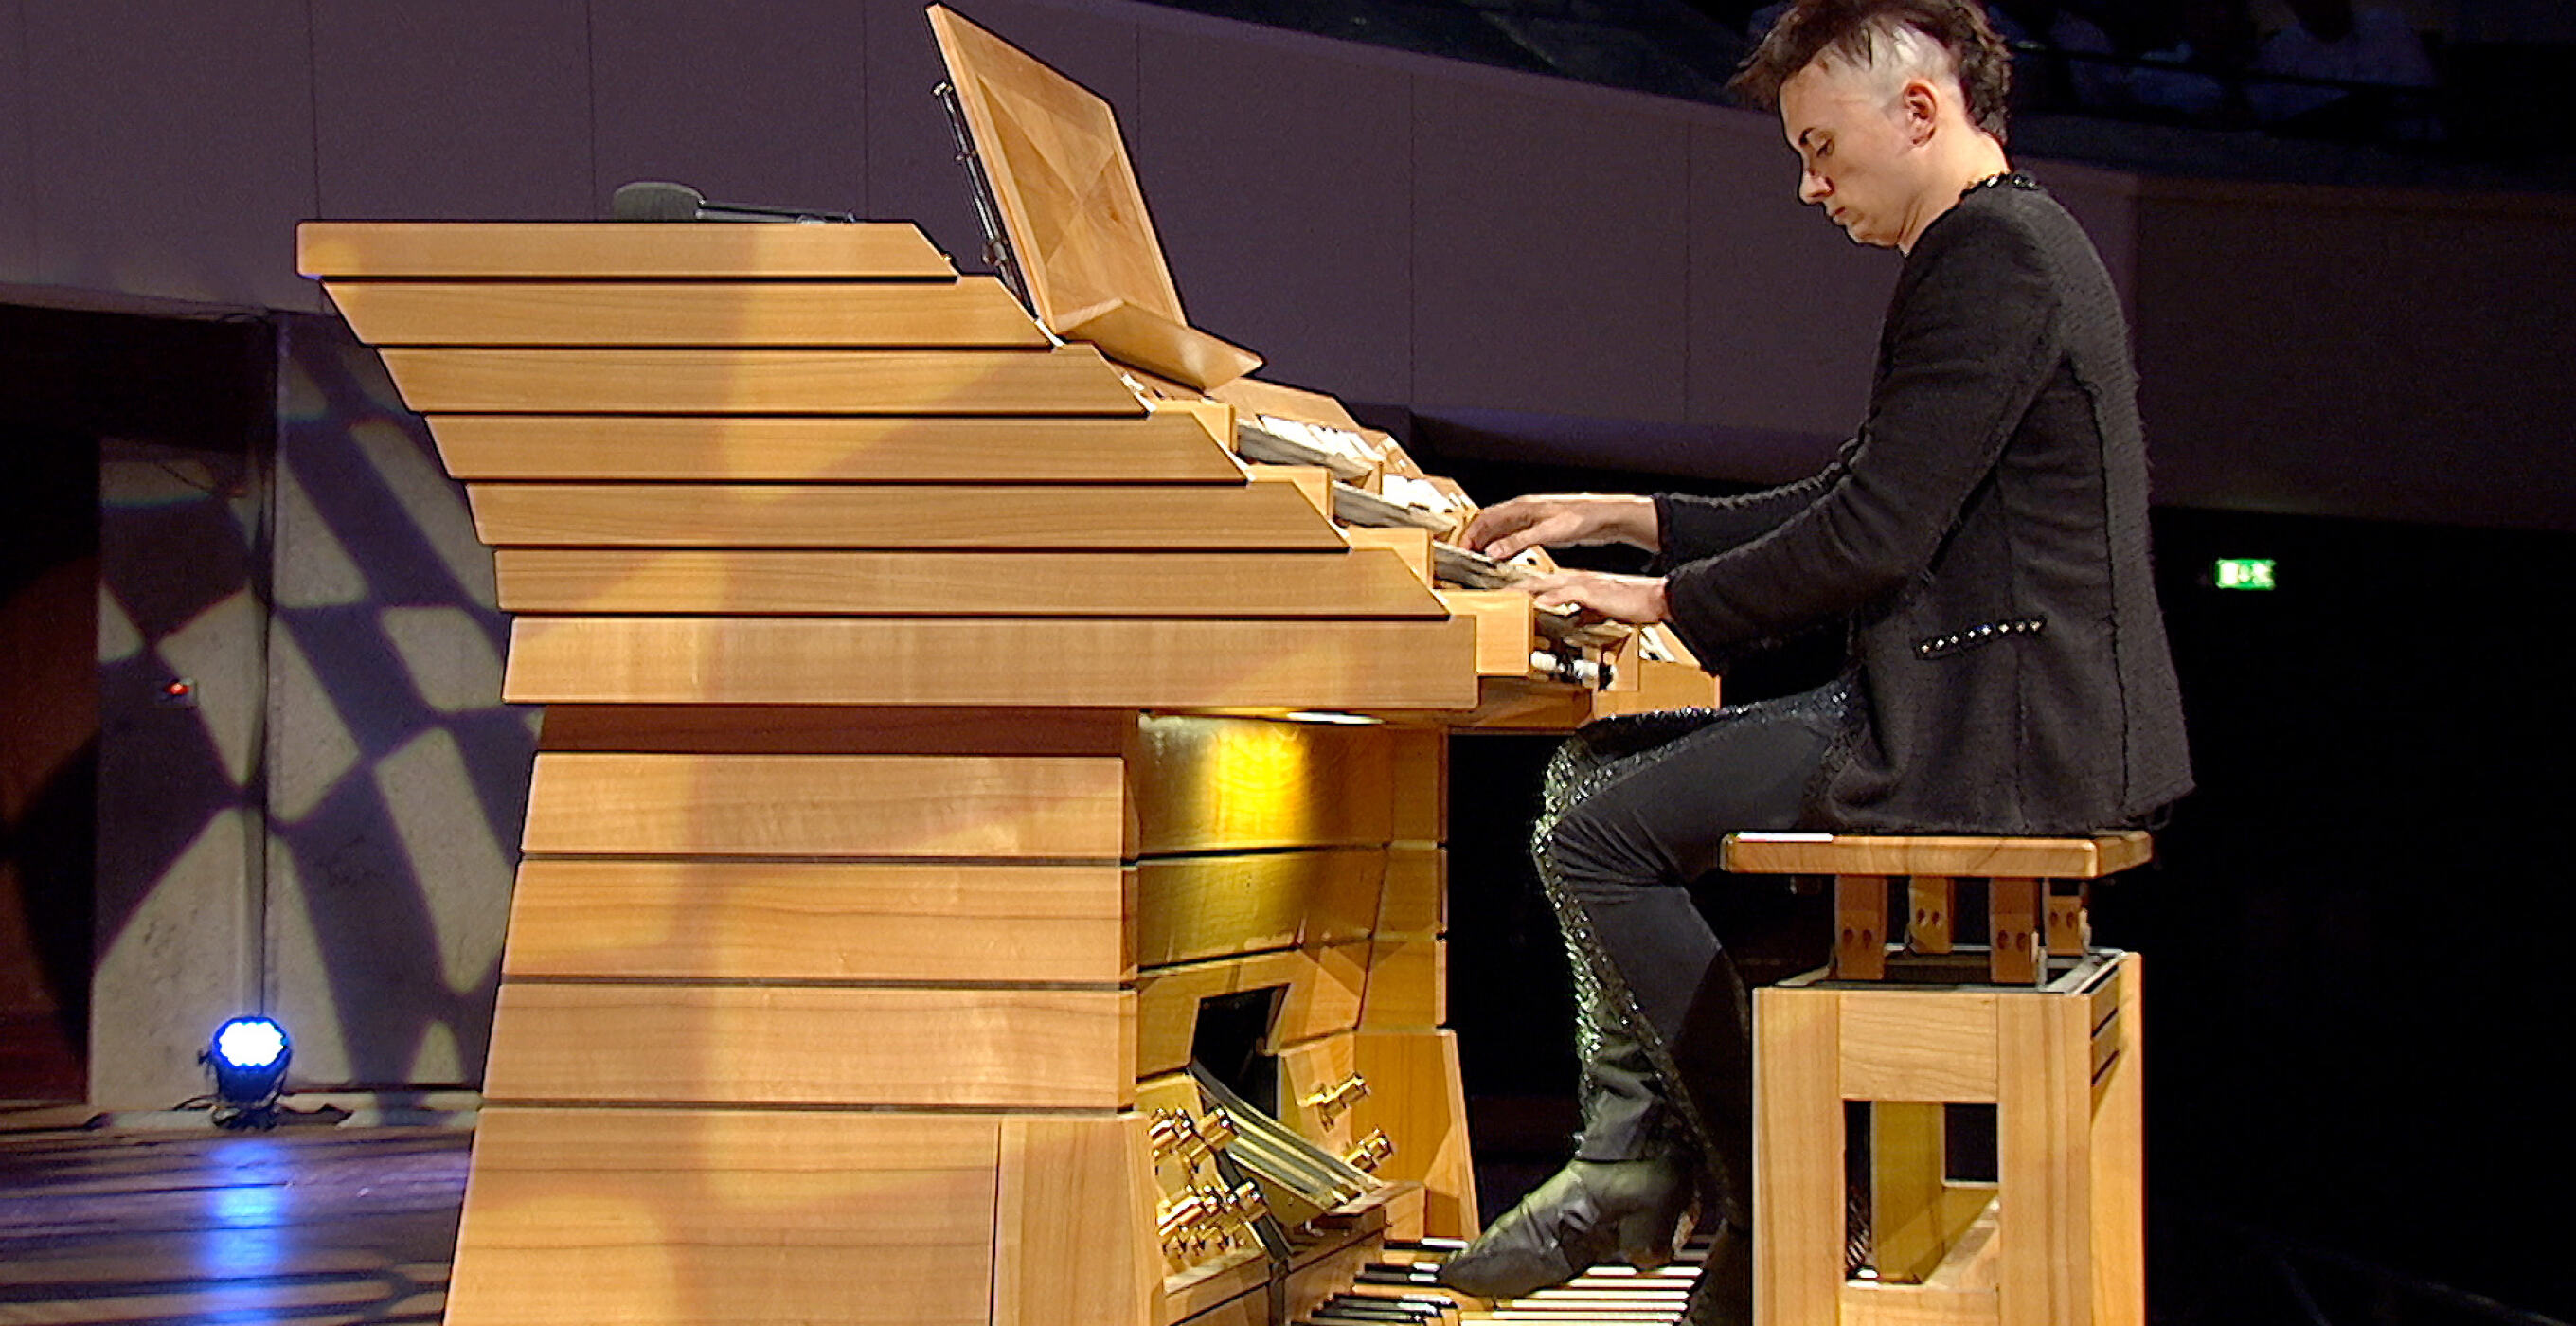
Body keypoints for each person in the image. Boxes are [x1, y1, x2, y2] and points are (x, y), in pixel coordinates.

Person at [1431, 1, 2192, 1320]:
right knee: (1606, 777)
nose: (1811, 186)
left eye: (1822, 148)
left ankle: (1763, 1197)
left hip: (1990, 731)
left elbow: (1876, 532)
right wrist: (1633, 525)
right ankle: (1650, 1170)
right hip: (2002, 710)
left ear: (1920, 107)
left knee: (1595, 828)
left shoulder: (1988, 255)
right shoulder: (2015, 242)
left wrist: (1665, 597)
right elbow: (1862, 486)